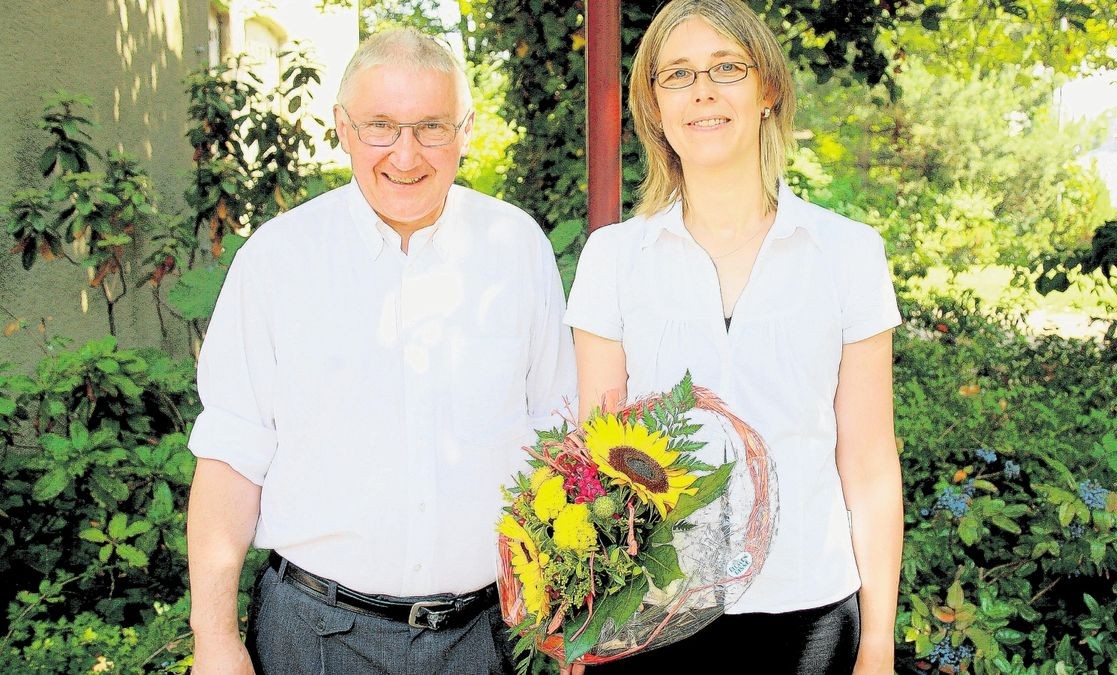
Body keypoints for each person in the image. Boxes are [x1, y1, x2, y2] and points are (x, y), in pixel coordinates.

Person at [186, 27, 576, 675]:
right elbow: (231, 457)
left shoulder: (517, 248)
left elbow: (556, 435)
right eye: (380, 126)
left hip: (489, 635)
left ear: (466, 129)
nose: (405, 153)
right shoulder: (278, 262)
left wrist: (569, 602)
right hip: (314, 637)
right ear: (342, 127)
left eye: (431, 126)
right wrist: (215, 639)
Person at [563, 0, 903, 672]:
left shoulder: (847, 253)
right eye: (678, 75)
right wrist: (587, 616)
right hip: (653, 619)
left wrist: (879, 641)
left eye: (726, 68)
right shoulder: (613, 257)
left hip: (809, 619)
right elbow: (597, 464)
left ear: (767, 88)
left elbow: (868, 463)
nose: (704, 93)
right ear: (654, 104)